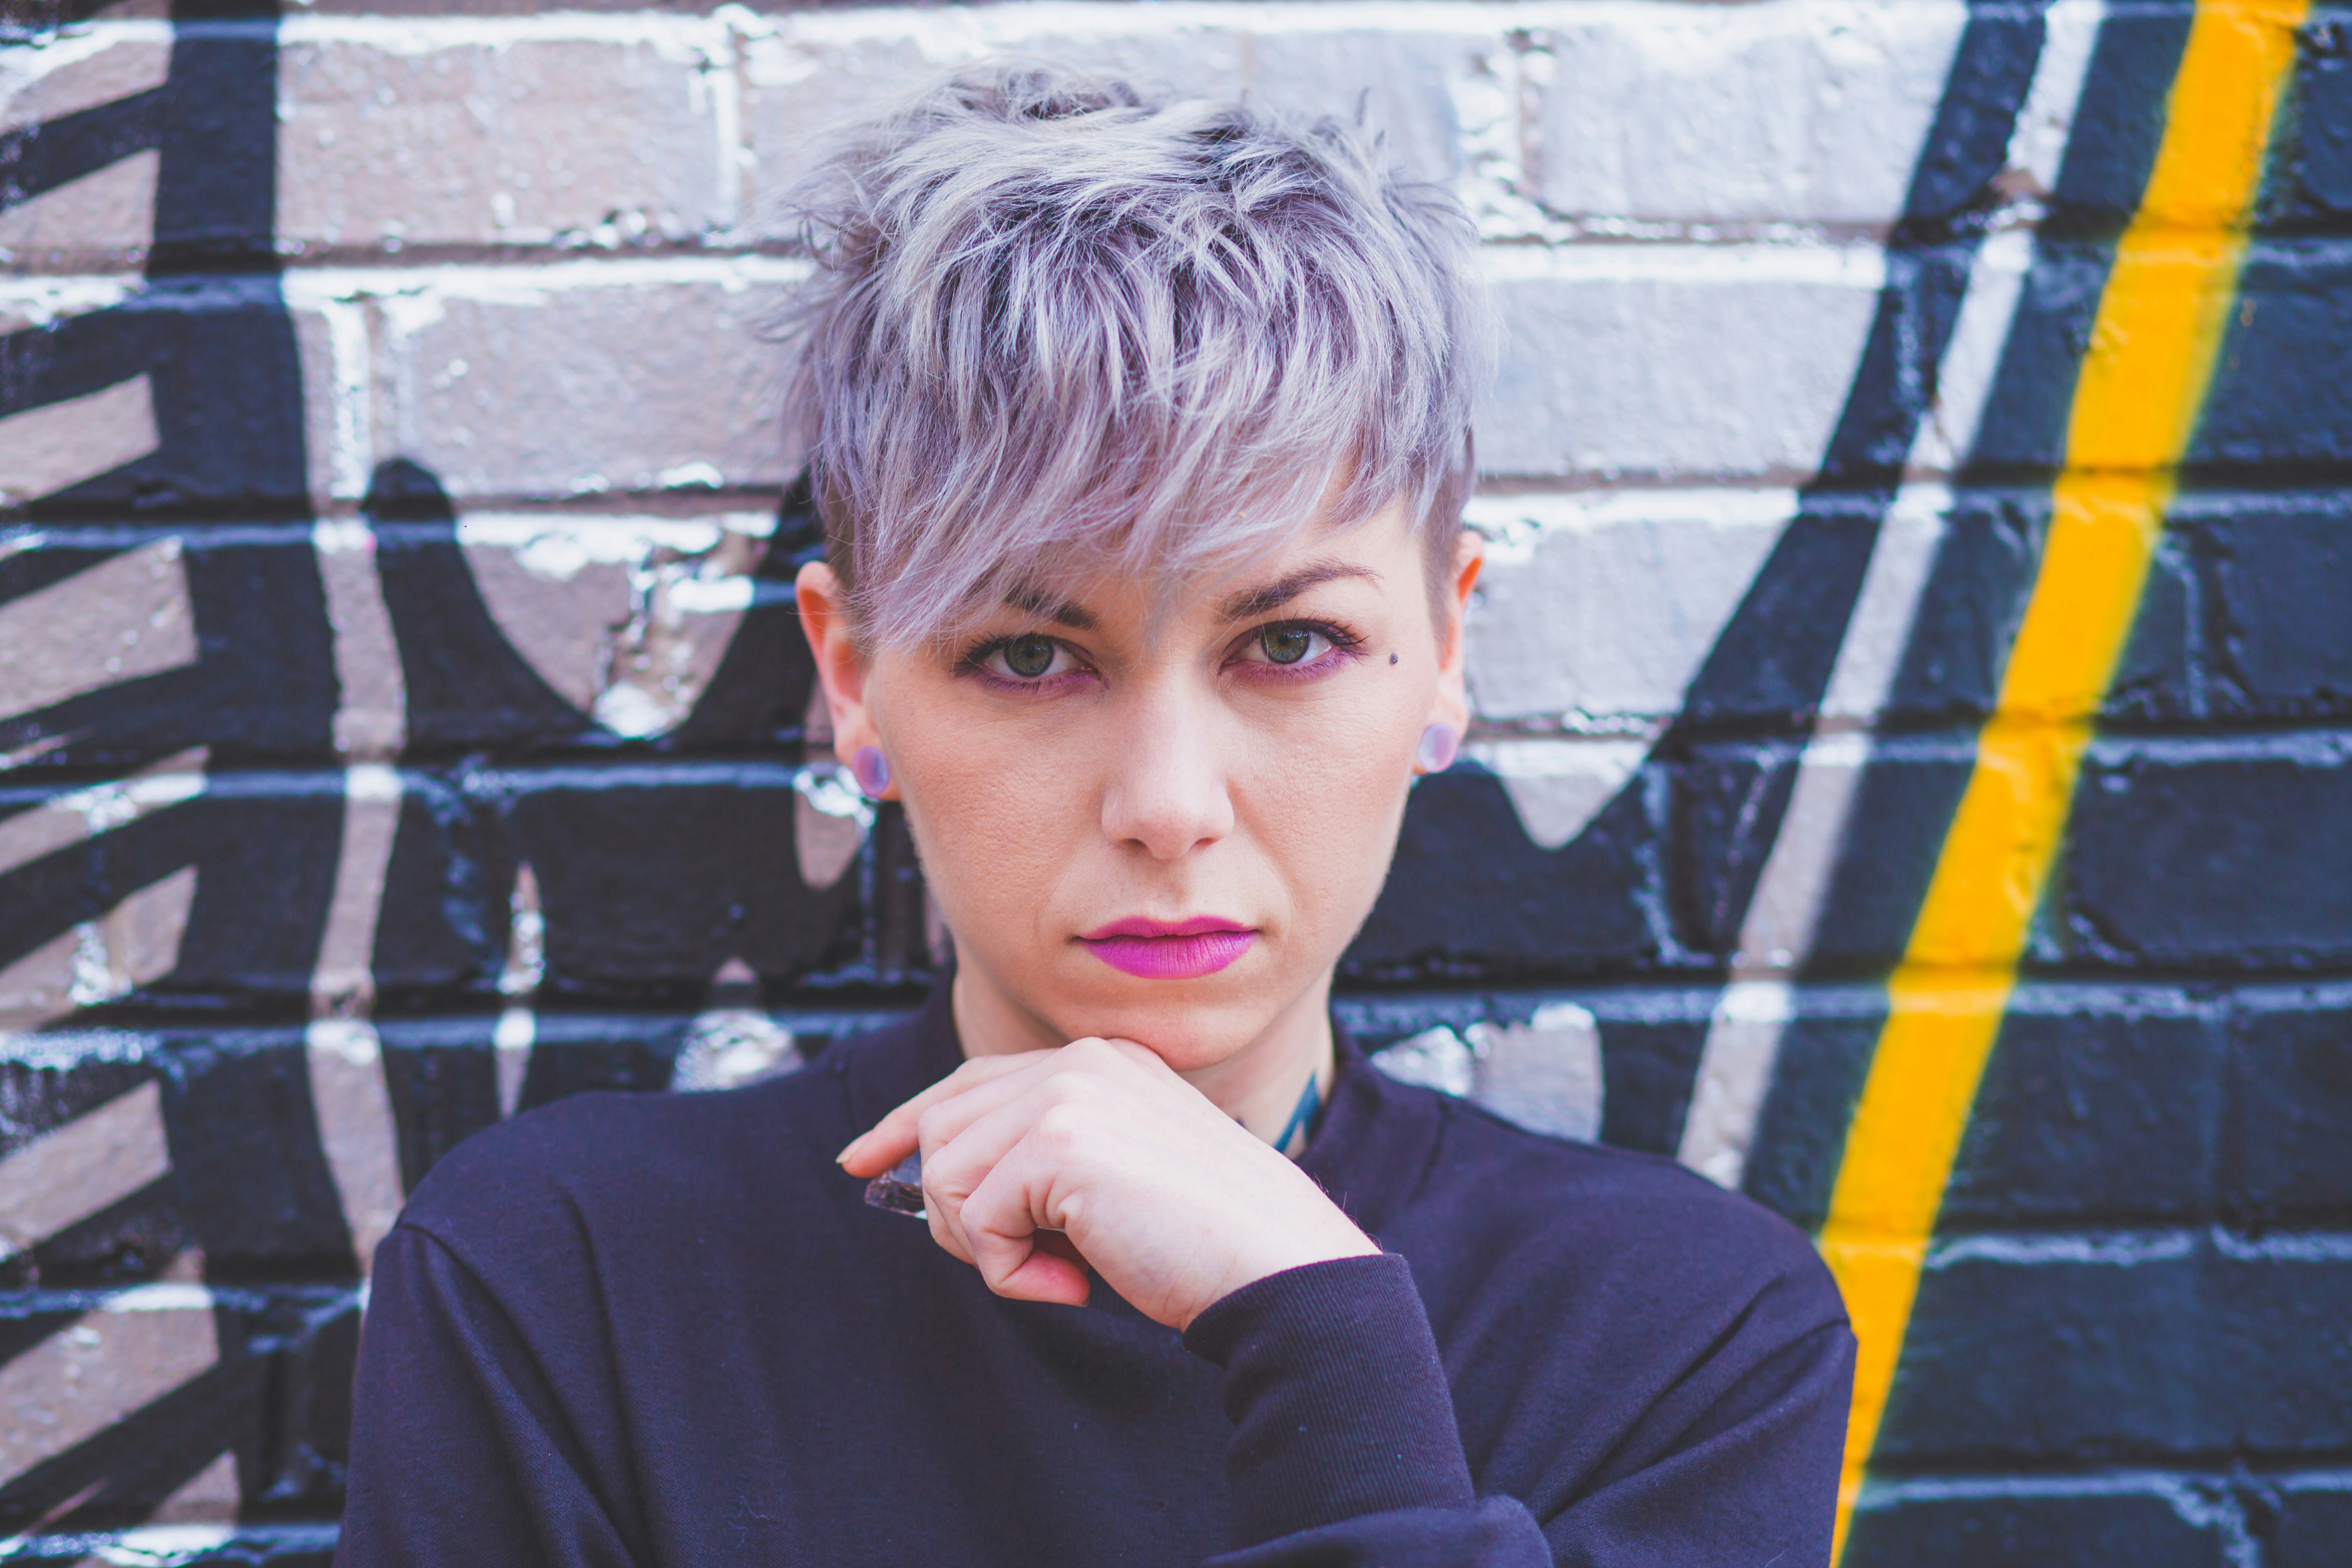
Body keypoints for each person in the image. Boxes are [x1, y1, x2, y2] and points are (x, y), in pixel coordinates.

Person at [334, 62, 1853, 1567]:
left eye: (1288, 645)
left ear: (1444, 656)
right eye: (1030, 657)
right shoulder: (573, 1283)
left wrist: (1315, 1331)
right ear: (853, 683)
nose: (1169, 807)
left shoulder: (1689, 1337)